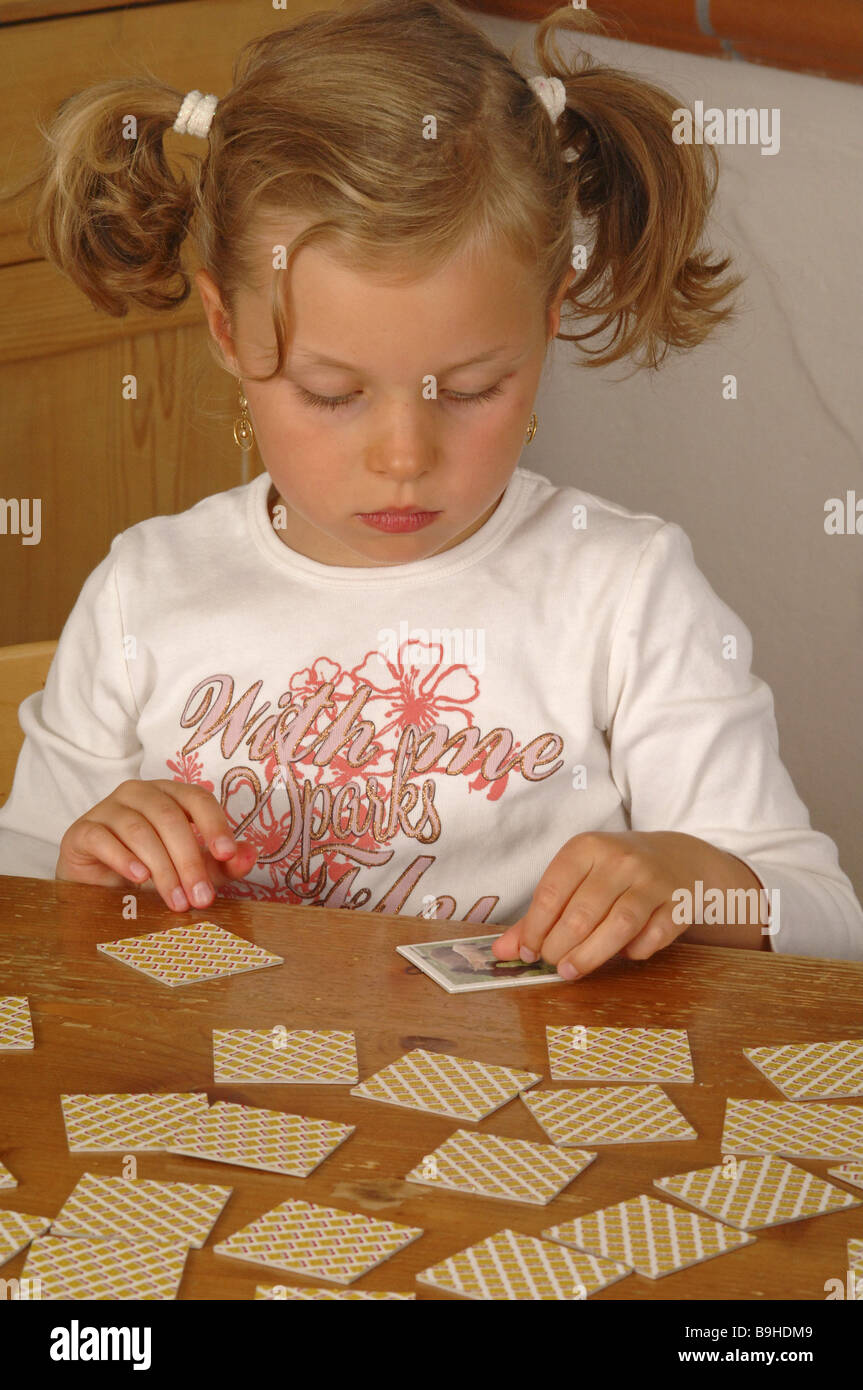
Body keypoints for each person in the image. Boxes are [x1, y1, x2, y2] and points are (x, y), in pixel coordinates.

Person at [1, 0, 860, 973]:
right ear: (226, 330)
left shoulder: (624, 593)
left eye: (468, 388)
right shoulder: (143, 591)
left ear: (547, 320)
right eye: (332, 394)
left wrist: (685, 880)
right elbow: (22, 894)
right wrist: (81, 868)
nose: (403, 457)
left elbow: (828, 919)